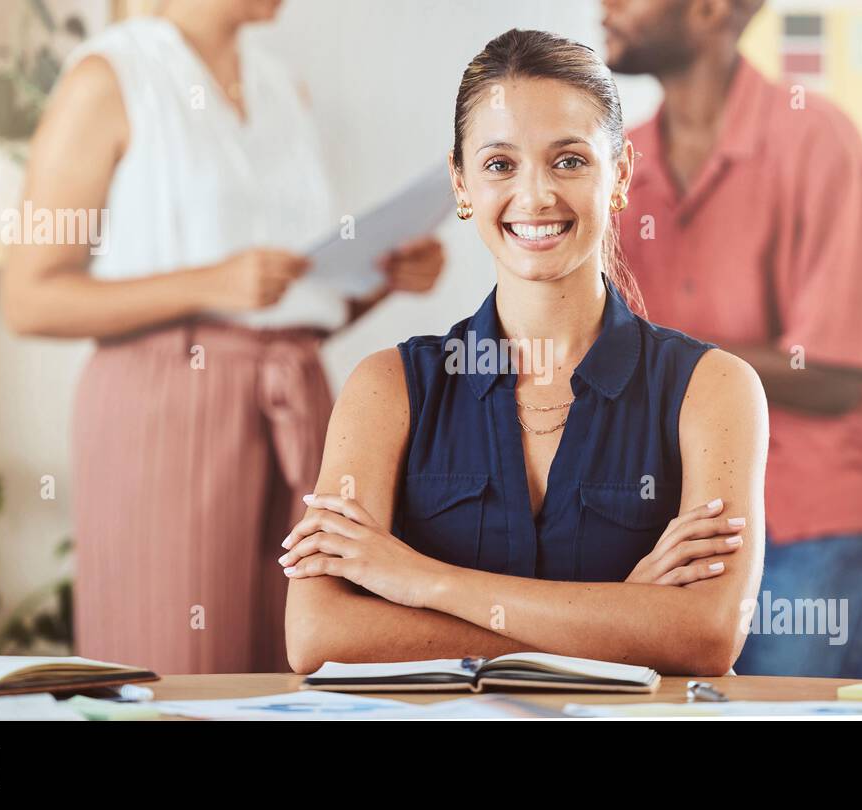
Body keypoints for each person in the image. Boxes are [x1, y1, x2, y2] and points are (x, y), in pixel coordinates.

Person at [279, 29, 768, 676]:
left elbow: (705, 635)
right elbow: (317, 635)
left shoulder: (712, 388)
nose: (535, 196)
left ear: (619, 174)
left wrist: (419, 580)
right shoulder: (388, 388)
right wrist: (624, 620)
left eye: (569, 160)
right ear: (461, 184)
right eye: (500, 165)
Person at [2, 0, 443, 674]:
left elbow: (277, 304)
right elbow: (29, 298)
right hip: (164, 407)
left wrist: (381, 279)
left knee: (305, 657)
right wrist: (207, 284)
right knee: (177, 663)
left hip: (297, 396)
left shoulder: (281, 87)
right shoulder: (108, 77)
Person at [602, 0, 862, 677]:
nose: (605, 4)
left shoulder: (816, 138)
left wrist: (657, 355)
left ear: (708, 10)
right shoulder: (618, 165)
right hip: (687, 521)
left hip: (818, 515)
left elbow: (837, 373)